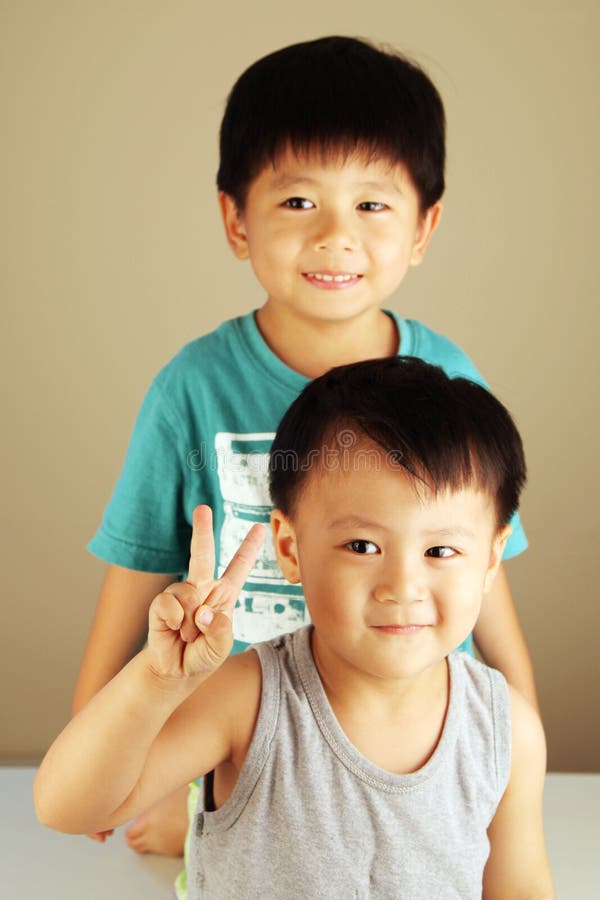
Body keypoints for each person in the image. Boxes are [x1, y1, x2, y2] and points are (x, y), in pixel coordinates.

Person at [73, 34, 539, 893]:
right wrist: (106, 738)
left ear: (424, 227)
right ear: (236, 220)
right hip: (244, 730)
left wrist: (517, 741)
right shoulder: (193, 387)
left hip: (409, 725)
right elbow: (135, 570)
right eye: (297, 201)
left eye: (372, 204)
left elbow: (483, 562)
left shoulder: (447, 376)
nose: (336, 237)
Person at [35, 358, 555, 899]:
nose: (403, 587)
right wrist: (157, 680)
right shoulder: (247, 700)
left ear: (491, 559)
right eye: (362, 546)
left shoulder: (507, 731)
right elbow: (66, 809)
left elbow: (521, 889)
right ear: (290, 548)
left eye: (441, 551)